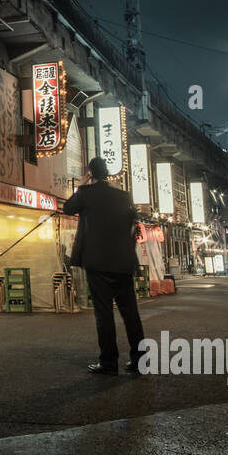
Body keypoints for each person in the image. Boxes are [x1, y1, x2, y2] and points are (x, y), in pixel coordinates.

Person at [63, 156, 147, 375]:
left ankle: (109, 362)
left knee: (104, 313)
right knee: (130, 313)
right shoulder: (123, 196)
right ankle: (140, 361)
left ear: (91, 173)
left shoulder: (86, 193)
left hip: (97, 262)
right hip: (123, 261)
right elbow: (132, 220)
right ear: (108, 173)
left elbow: (68, 208)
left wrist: (82, 184)